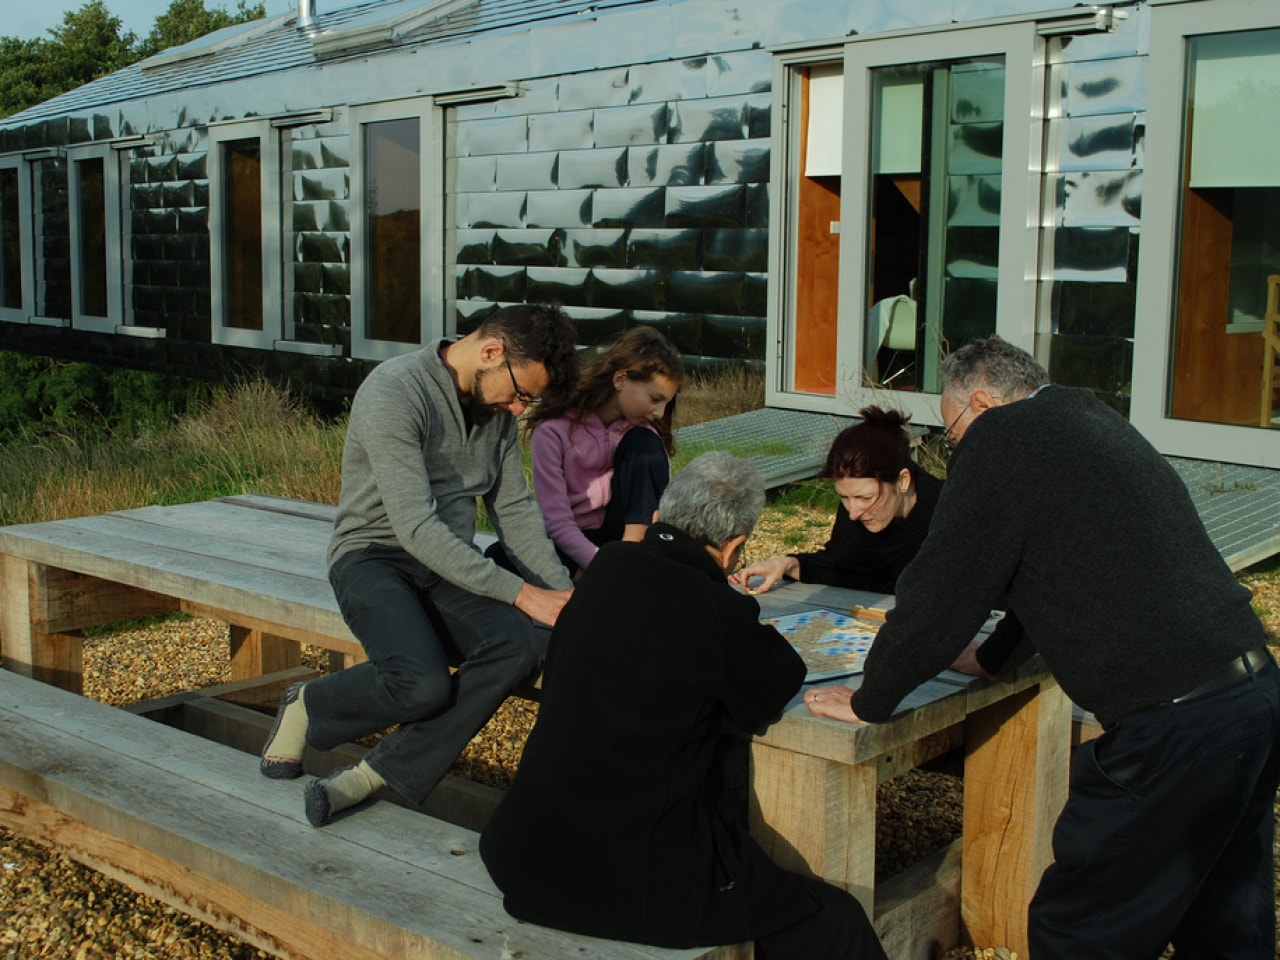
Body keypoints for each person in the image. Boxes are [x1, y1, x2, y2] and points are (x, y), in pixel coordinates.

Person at [804, 337, 1280, 959]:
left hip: (1171, 727)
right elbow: (1056, 564)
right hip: (1252, 694)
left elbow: (944, 585)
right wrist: (994, 658)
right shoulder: (1089, 417)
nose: (955, 451)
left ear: (980, 401)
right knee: (1225, 923)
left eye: (951, 435)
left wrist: (872, 698)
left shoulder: (1002, 440)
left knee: (1080, 928)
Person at [480, 452, 888, 960]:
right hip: (628, 879)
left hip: (525, 849)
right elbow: (777, 679)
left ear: (660, 517)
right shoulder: (716, 609)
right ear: (734, 546)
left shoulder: (606, 567)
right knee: (836, 921)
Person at [259, 303, 580, 827]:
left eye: (532, 401)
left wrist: (562, 598)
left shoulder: (494, 413)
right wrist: (523, 595)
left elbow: (515, 512)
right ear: (492, 352)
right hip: (373, 556)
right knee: (421, 684)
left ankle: (374, 774)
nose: (521, 410)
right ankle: (310, 703)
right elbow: (415, 527)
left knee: (525, 644)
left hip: (446, 564)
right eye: (522, 394)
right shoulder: (396, 390)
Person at [512, 325, 683, 578]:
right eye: (655, 398)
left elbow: (659, 499)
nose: (659, 412)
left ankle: (629, 559)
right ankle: (603, 574)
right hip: (572, 538)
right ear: (621, 379)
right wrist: (599, 563)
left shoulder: (643, 434)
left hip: (625, 535)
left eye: (666, 404)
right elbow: (558, 522)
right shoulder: (553, 431)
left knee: (643, 444)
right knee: (501, 556)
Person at [732, 406, 942, 596]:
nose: (854, 513)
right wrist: (787, 564)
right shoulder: (857, 512)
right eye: (844, 497)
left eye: (865, 498)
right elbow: (842, 565)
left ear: (903, 481)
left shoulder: (948, 512)